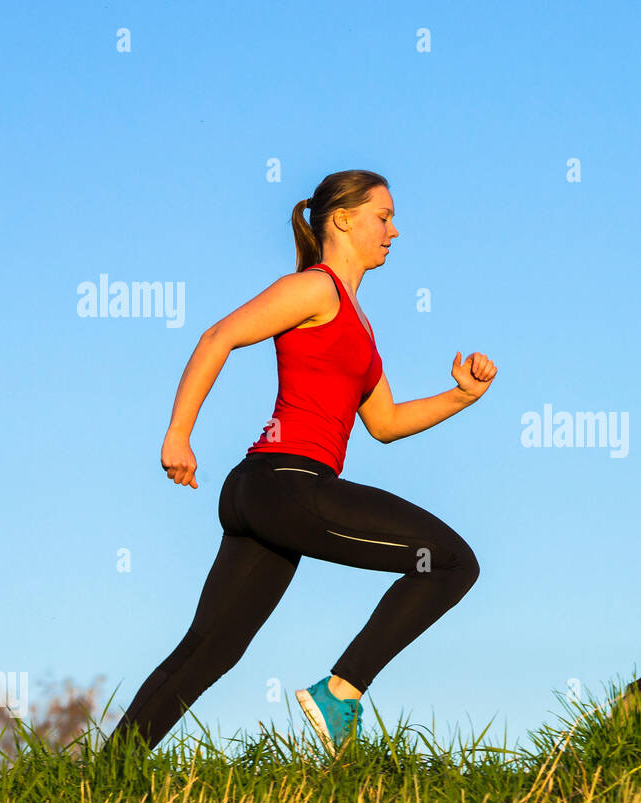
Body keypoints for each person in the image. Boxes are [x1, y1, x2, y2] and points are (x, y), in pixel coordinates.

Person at [107, 169, 495, 756]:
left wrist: (461, 396)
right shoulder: (315, 289)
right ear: (341, 220)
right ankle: (342, 690)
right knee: (452, 562)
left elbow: (385, 424)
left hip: (264, 493)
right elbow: (219, 337)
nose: (394, 231)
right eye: (383, 217)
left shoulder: (358, 320)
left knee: (211, 648)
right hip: (286, 482)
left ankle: (108, 773)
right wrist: (178, 435)